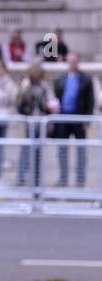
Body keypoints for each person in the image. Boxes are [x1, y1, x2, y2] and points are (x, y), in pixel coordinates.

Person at [52, 52, 95, 187]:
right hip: (64, 118)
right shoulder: (61, 79)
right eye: (70, 61)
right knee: (62, 150)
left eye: (74, 61)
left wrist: (87, 120)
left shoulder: (86, 80)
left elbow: (90, 101)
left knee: (81, 150)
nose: (72, 63)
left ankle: (80, 179)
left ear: (78, 62)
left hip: (79, 118)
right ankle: (63, 178)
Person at [16, 63, 54, 187]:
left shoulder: (34, 87)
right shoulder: (32, 88)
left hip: (35, 124)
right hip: (35, 124)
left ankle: (30, 179)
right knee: (32, 152)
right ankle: (29, 179)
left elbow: (21, 106)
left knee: (32, 152)